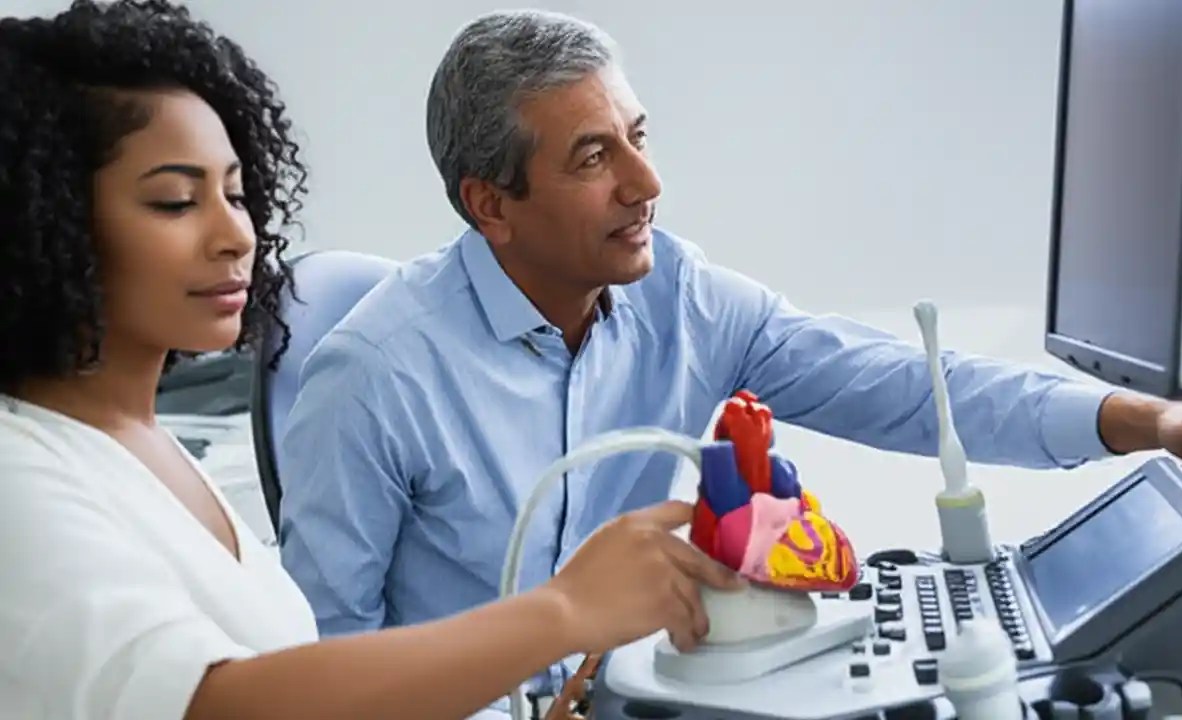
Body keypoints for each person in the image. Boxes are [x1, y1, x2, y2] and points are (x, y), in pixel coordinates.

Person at [278, 6, 1182, 664]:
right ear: (490, 205)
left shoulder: (679, 294)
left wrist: (1140, 419)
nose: (644, 183)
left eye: (638, 134)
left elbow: (901, 383)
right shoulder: (372, 377)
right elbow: (321, 665)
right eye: (593, 156)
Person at [0, 3, 747, 719]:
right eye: (173, 202)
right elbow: (216, 704)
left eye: (235, 193)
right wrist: (563, 611)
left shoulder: (141, 450)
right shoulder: (20, 484)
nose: (236, 236)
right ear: (45, 218)